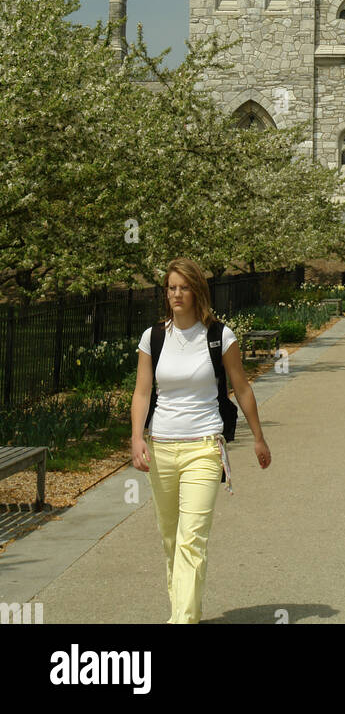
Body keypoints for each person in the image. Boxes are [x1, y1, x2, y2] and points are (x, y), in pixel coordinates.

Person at [131, 257, 272, 623]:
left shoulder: (219, 335)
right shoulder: (154, 337)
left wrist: (258, 437)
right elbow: (142, 393)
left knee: (191, 539)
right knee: (170, 541)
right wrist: (136, 438)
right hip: (161, 447)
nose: (177, 294)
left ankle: (183, 620)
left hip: (204, 448)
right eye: (171, 288)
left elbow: (241, 387)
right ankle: (183, 609)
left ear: (197, 291)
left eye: (184, 287)